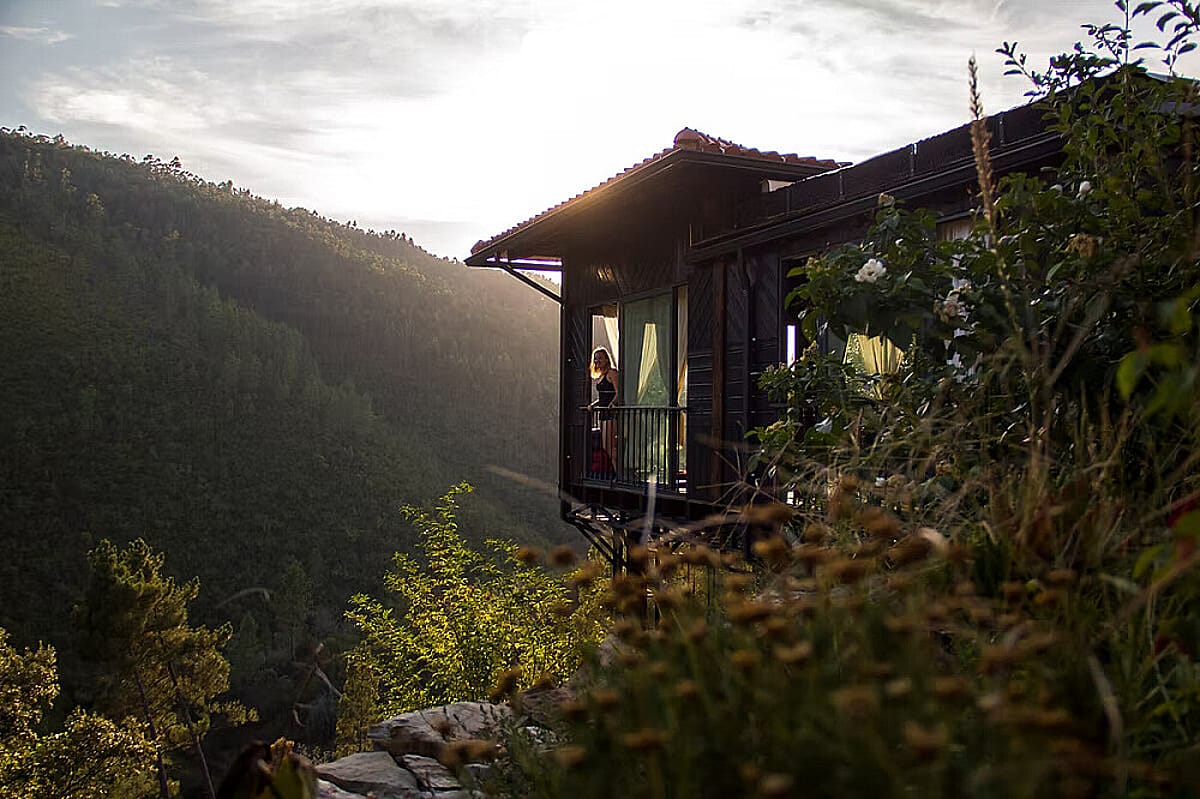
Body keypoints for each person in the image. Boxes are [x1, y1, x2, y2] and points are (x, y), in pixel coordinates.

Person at [590, 347, 618, 475]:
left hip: (610, 414)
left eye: (600, 358)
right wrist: (593, 405)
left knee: (610, 445)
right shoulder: (601, 376)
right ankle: (615, 472)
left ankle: (619, 474)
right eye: (595, 359)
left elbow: (619, 393)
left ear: (607, 359)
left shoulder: (612, 373)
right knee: (606, 446)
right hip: (602, 413)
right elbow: (603, 397)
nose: (597, 361)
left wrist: (612, 404)